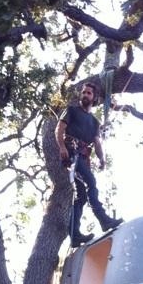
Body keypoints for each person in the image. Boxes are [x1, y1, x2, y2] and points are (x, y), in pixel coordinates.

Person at [55, 82, 123, 247]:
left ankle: (74, 234)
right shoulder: (71, 111)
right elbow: (59, 129)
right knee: (91, 183)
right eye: (84, 92)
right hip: (72, 153)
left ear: (94, 98)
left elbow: (97, 143)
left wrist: (102, 159)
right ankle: (103, 219)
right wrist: (62, 147)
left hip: (82, 157)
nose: (85, 95)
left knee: (82, 196)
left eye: (89, 93)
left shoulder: (94, 122)